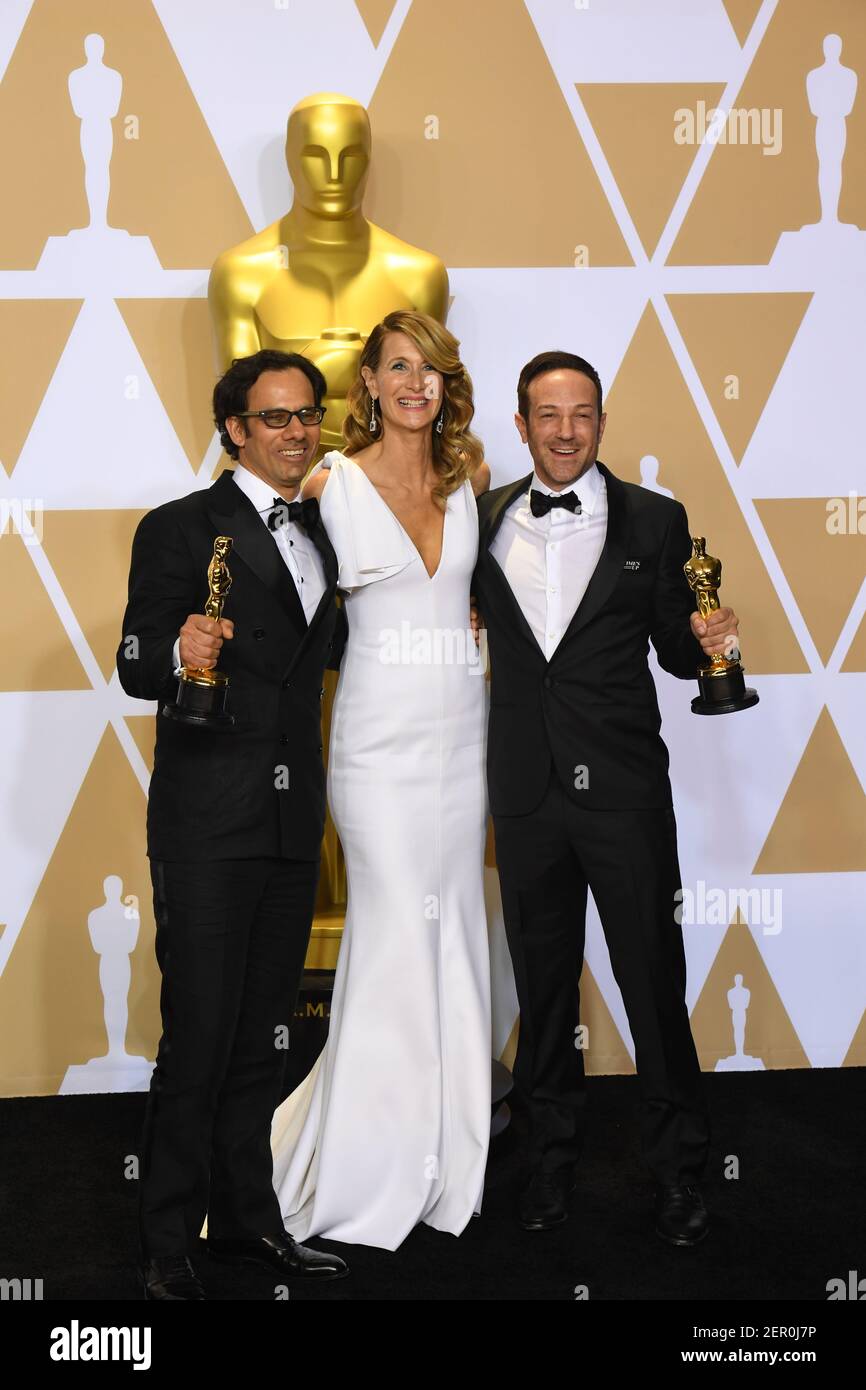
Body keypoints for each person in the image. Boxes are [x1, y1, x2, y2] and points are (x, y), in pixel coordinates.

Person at [471, 350, 740, 1245]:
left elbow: (672, 648)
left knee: (653, 990)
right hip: (525, 795)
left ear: (601, 421)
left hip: (623, 795)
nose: (565, 431)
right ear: (520, 426)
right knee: (545, 997)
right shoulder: (479, 521)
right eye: (547, 415)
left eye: (582, 413)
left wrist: (710, 641)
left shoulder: (656, 522)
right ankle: (547, 1173)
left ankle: (681, 1178)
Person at [117, 349, 350, 1298]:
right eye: (277, 418)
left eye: (308, 415)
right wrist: (180, 645)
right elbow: (135, 660)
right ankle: (168, 1237)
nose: (297, 432)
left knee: (263, 1036)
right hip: (209, 824)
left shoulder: (331, 530)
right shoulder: (181, 527)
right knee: (200, 1034)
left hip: (296, 822)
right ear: (235, 431)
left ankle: (251, 1221)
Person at [269, 310, 492, 1251]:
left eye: (431, 368)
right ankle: (369, 1164)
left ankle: (450, 1149)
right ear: (366, 381)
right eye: (398, 367)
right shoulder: (328, 481)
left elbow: (484, 596)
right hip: (376, 748)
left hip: (464, 746)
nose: (415, 383)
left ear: (446, 384)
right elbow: (266, 576)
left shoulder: (471, 477)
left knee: (456, 938)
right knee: (397, 933)